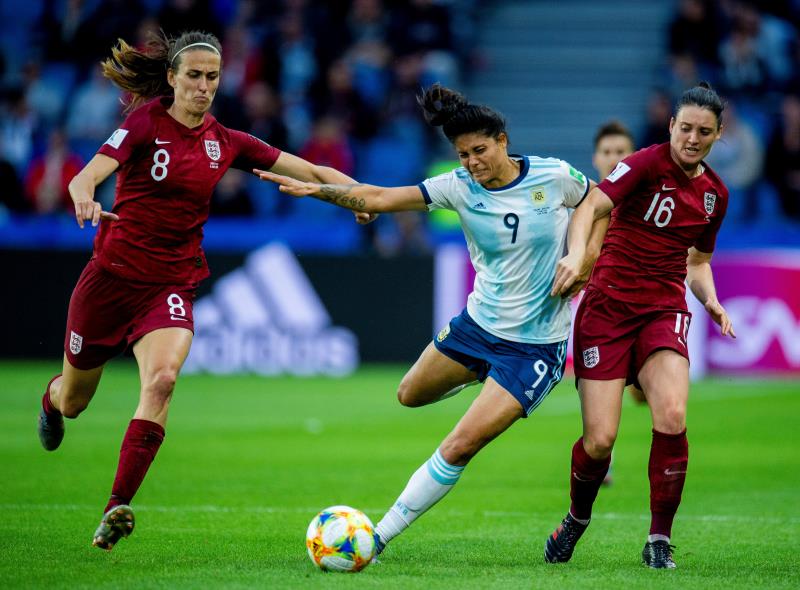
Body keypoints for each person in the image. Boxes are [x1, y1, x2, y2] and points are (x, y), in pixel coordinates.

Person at [36, 30, 372, 552]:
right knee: (76, 401)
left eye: (212, 77)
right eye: (193, 75)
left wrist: (354, 195)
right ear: (171, 78)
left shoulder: (225, 141)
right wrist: (82, 197)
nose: (203, 86)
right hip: (109, 280)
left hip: (170, 283)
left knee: (164, 380)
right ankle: (52, 400)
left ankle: (115, 506)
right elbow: (88, 176)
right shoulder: (144, 122)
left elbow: (304, 168)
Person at [256, 83, 606, 559]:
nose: (472, 163)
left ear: (503, 141)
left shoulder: (552, 175)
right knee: (408, 395)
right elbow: (379, 198)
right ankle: (479, 375)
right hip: (477, 327)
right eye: (463, 154)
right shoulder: (457, 187)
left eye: (480, 150)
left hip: (533, 348)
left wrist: (582, 256)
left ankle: (377, 537)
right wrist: (321, 191)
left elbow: (596, 201)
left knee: (460, 444)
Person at [545, 82, 736, 569]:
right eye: (686, 128)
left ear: (718, 135)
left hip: (662, 310)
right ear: (671, 126)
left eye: (704, 132)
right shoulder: (644, 164)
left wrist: (710, 300)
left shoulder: (715, 194)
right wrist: (574, 254)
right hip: (608, 310)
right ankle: (576, 519)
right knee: (600, 440)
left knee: (671, 415)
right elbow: (591, 204)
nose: (693, 138)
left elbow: (698, 263)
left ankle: (658, 539)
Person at [590, 121, 646, 408]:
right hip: (600, 314)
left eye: (621, 151)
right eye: (607, 151)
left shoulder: (648, 206)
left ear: (634, 155)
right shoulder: (583, 206)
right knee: (598, 420)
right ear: (595, 158)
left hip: (644, 309)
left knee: (644, 395)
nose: (614, 158)